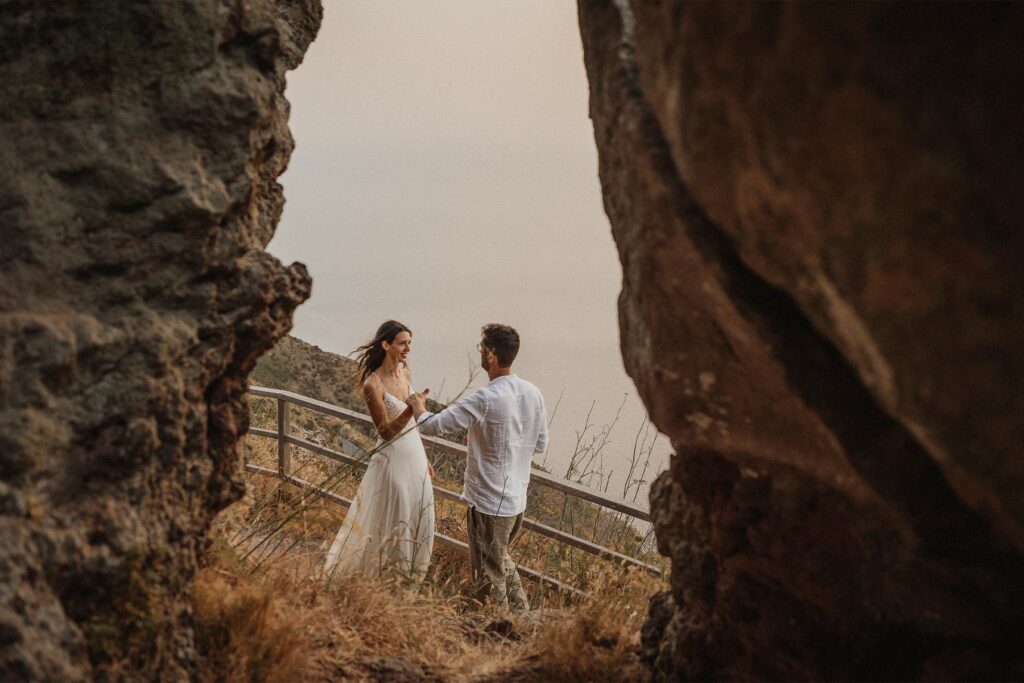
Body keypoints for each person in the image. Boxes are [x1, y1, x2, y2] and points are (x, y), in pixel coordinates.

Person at [406, 323, 547, 612]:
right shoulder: (533, 393)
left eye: (482, 348)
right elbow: (540, 443)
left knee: (488, 575)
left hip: (489, 503)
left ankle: (495, 630)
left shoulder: (485, 398)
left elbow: (434, 426)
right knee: (501, 560)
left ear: (492, 355)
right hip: (517, 500)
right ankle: (524, 620)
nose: (481, 353)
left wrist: (419, 407)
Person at [324, 320, 435, 582]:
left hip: (415, 458)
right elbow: (384, 430)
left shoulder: (406, 374)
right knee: (393, 516)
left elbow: (413, 427)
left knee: (419, 514)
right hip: (391, 459)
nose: (408, 348)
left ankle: (406, 577)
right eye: (402, 343)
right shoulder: (373, 385)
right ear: (386, 345)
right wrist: (411, 407)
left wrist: (425, 458)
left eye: (409, 342)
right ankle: (378, 577)